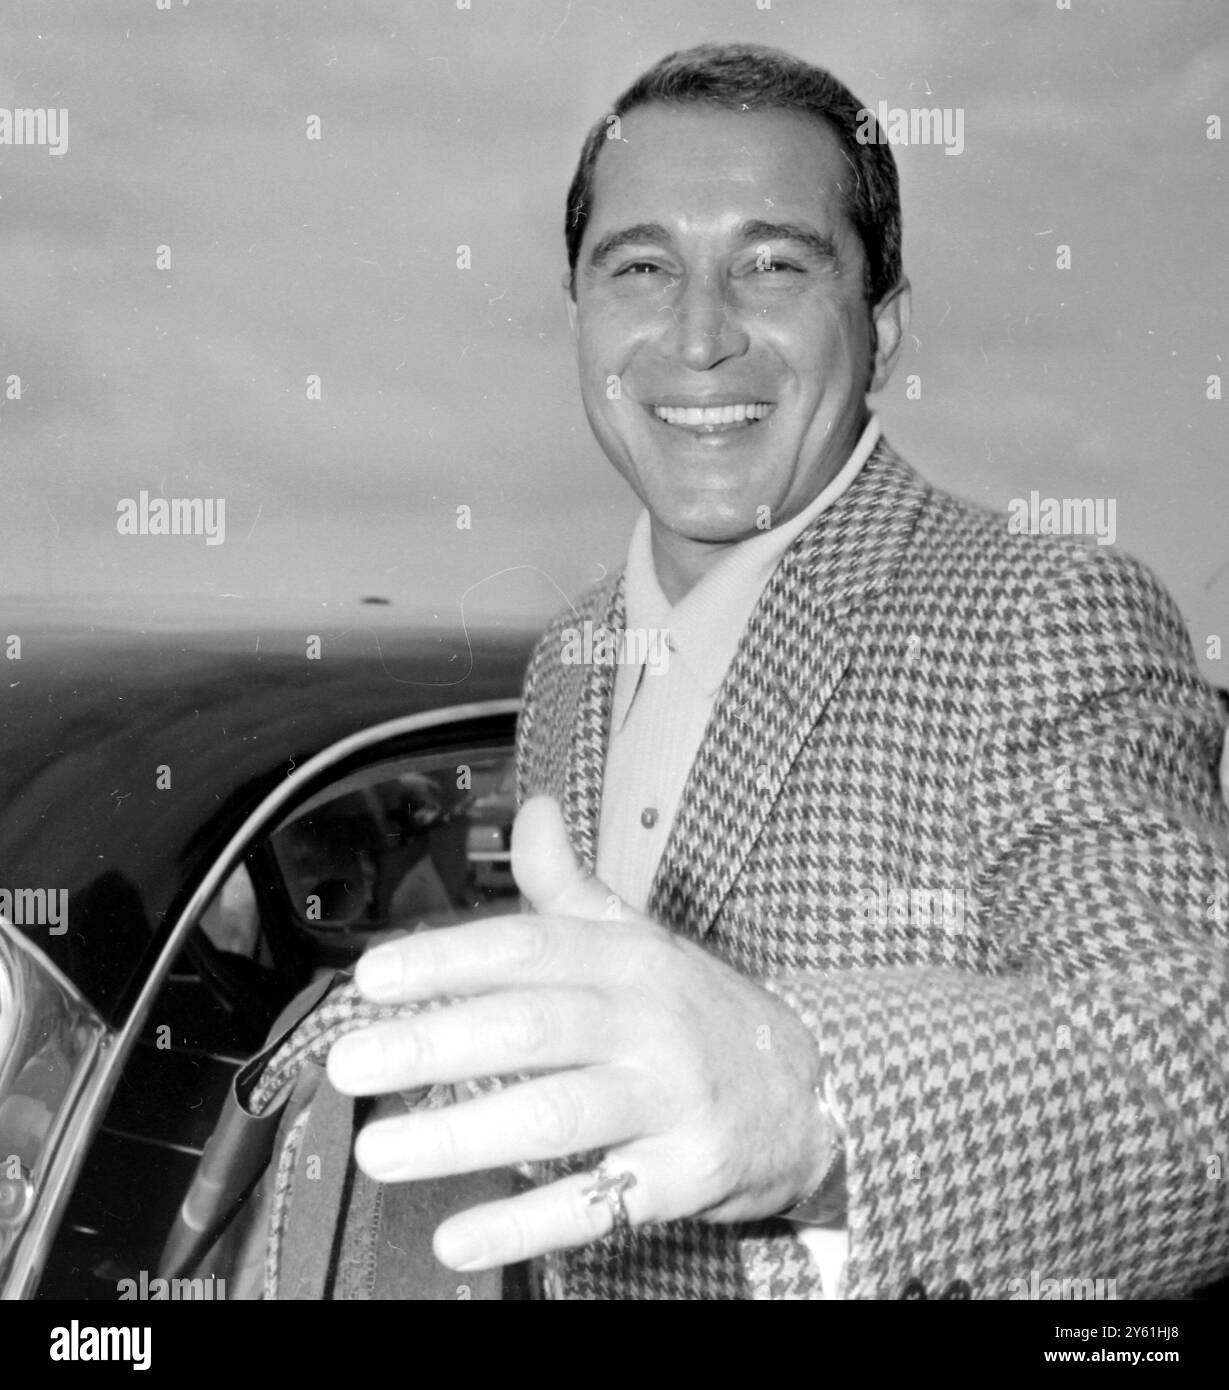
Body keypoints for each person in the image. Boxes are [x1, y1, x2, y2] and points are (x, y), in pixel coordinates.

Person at [326, 42, 1229, 1299]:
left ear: (883, 323)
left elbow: (1195, 1075)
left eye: (772, 265)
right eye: (639, 267)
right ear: (580, 315)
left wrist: (805, 1094)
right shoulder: (568, 663)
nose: (697, 338)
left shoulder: (1043, 608)